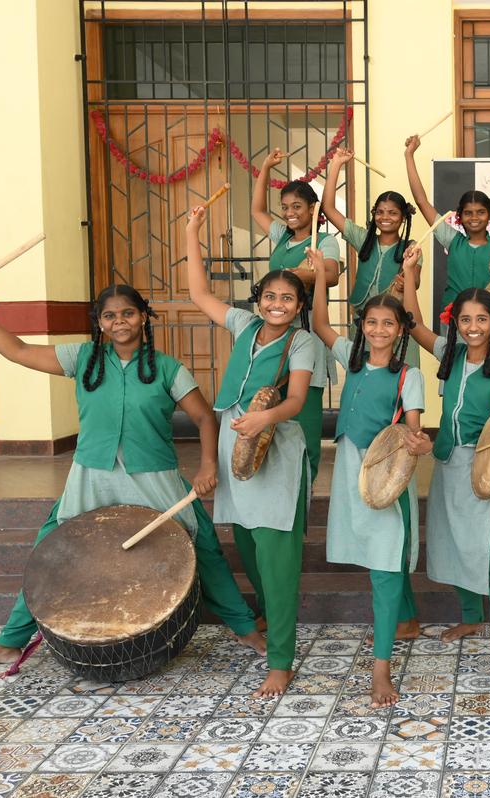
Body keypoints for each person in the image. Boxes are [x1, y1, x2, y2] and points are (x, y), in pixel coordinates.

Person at [0, 279, 263, 674]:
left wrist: (208, 465)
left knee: (203, 545)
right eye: (110, 316)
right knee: (51, 550)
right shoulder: (81, 358)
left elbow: (203, 417)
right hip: (91, 474)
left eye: (128, 313)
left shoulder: (167, 367)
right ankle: (10, 642)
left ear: (144, 317)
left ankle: (244, 628)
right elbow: (17, 350)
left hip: (153, 473)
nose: (120, 322)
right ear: (99, 322)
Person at [187, 205, 319, 697]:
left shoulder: (303, 343)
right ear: (258, 300)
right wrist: (193, 231)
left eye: (288, 297)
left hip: (275, 447)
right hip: (231, 441)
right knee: (245, 542)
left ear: (299, 304)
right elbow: (199, 293)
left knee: (277, 555)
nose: (278, 303)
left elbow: (299, 400)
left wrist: (266, 417)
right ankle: (268, 622)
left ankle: (281, 660)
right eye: (271, 295)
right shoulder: (242, 325)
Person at [400, 247, 490, 704]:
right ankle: (472, 616)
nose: (473, 328)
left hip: (489, 469)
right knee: (457, 543)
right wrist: (410, 273)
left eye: (482, 319)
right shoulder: (448, 353)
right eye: (465, 320)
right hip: (449, 465)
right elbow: (412, 321)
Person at [309, 250, 433, 707]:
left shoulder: (409, 375)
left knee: (384, 566)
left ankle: (381, 671)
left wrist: (419, 444)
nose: (378, 331)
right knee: (376, 559)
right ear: (363, 327)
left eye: (388, 324)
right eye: (371, 323)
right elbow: (322, 323)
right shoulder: (352, 359)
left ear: (401, 331)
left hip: (384, 480)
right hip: (347, 473)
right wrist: (322, 276)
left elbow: (414, 429)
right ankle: (406, 618)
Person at [250, 150, 341, 486]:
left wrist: (298, 273)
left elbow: (330, 275)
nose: (289, 213)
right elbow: (257, 210)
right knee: (273, 407)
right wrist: (265, 169)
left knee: (305, 419)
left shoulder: (325, 240)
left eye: (296, 207)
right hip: (275, 335)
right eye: (285, 207)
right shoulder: (282, 236)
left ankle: (305, 487)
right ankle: (276, 483)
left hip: (306, 335)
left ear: (312, 210)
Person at [321, 148, 422, 367]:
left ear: (403, 218)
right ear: (374, 214)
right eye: (380, 212)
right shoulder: (363, 238)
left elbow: (416, 281)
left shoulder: (410, 247)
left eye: (393, 213)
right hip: (364, 326)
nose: (385, 217)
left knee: (398, 377)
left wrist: (408, 275)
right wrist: (337, 164)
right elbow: (328, 208)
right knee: (363, 374)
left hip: (396, 326)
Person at [404, 134, 490, 309]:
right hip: (452, 317)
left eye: (481, 212)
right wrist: (409, 155)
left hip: (487, 319)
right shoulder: (452, 239)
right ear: (459, 217)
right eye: (468, 213)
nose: (474, 218)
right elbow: (421, 201)